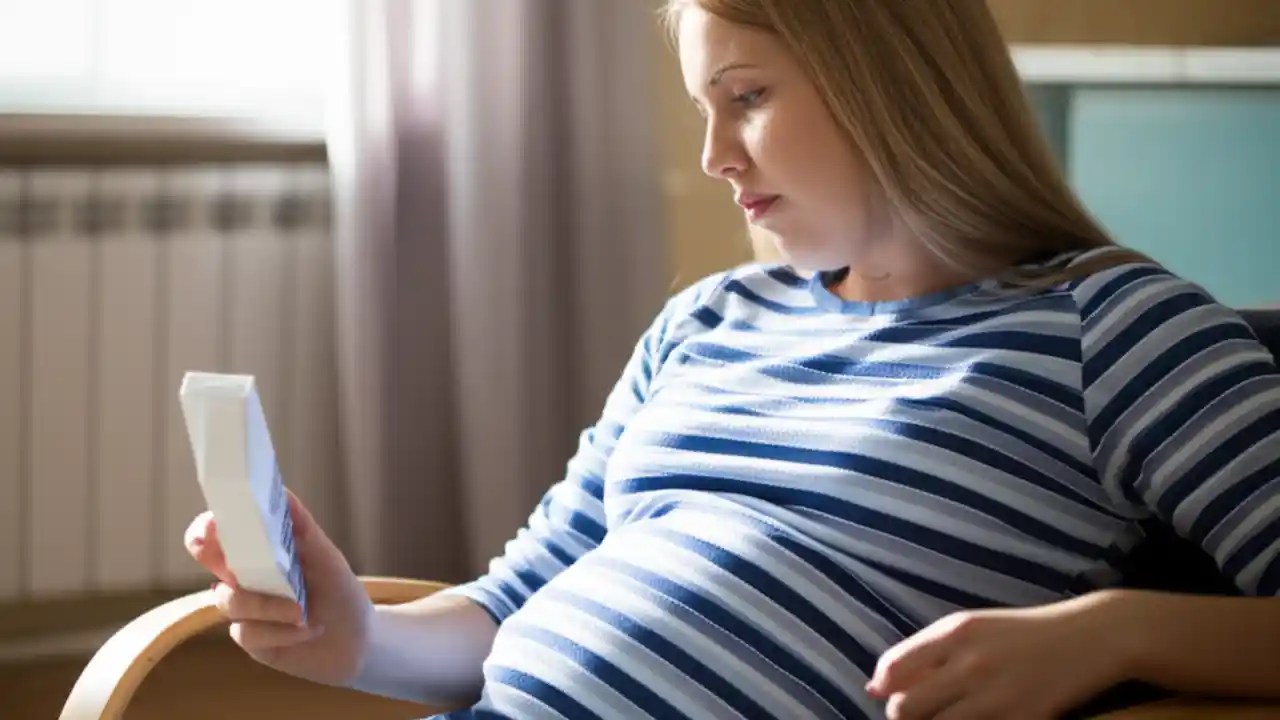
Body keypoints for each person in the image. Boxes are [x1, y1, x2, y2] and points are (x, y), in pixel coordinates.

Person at [184, 1, 1280, 718]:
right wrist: (359, 639)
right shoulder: (705, 323)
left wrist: (1113, 635)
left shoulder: (1112, 332)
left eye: (746, 97)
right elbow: (510, 608)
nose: (714, 157)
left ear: (892, 78)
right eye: (705, 109)